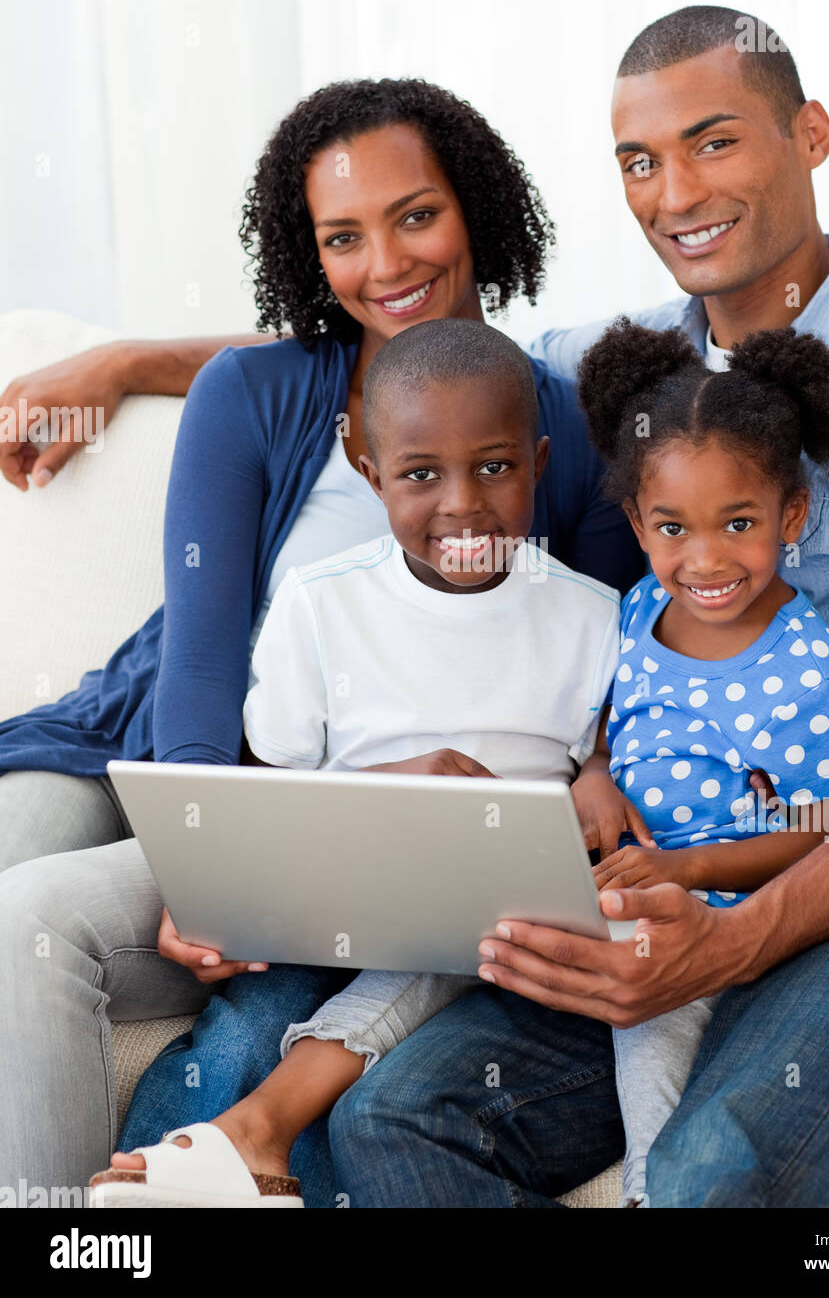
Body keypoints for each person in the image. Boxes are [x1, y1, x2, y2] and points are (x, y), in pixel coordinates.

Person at [0, 79, 644, 1199]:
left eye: (414, 215)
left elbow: (586, 662)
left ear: (475, 211)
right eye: (341, 236)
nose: (383, 262)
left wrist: (583, 773)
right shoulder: (254, 391)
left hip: (352, 826)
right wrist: (205, 855)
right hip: (162, 736)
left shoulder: (551, 424)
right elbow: (198, 658)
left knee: (31, 923)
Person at [91, 317, 623, 1206]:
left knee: (452, 935)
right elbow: (271, 785)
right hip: (330, 918)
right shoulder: (319, 603)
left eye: (494, 467)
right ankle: (138, 1216)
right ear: (371, 475)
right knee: (237, 1043)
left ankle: (255, 1145)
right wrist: (385, 792)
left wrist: (601, 766)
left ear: (537, 462)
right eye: (421, 475)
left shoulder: (591, 617)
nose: (460, 503)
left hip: (490, 936)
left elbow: (616, 750)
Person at [569, 318, 829, 1205]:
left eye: (738, 524)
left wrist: (683, 866)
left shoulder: (807, 672)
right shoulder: (634, 610)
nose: (703, 560)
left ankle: (646, 1190)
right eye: (671, 529)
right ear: (635, 523)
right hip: (624, 886)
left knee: (649, 1027)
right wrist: (591, 772)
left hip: (724, 920)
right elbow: (608, 717)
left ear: (792, 514)